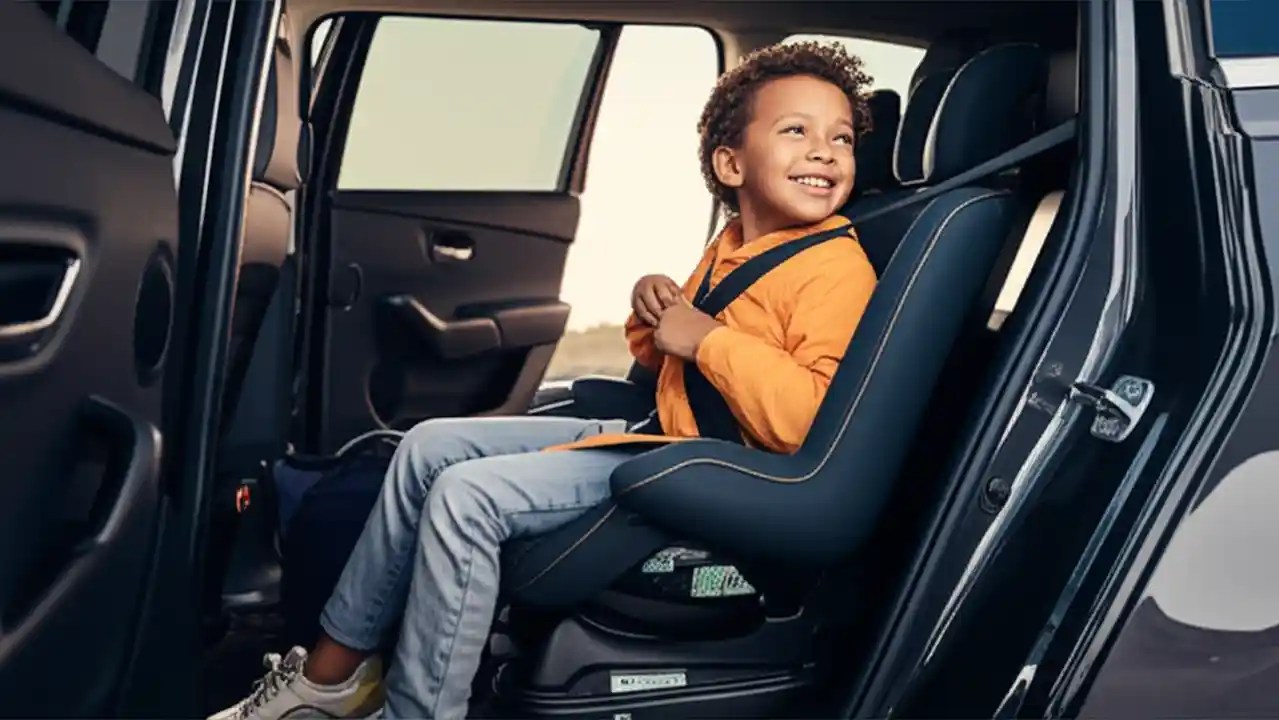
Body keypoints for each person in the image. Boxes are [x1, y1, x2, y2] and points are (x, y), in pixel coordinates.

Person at [213, 40, 879, 720]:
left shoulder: (836, 268)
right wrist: (655, 310)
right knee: (426, 445)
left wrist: (709, 339)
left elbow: (807, 421)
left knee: (467, 496)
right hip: (661, 433)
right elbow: (668, 361)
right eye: (796, 131)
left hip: (709, 468)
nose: (825, 152)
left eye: (841, 138)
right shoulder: (737, 244)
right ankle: (332, 677)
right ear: (730, 164)